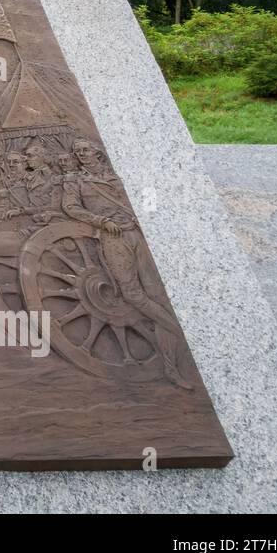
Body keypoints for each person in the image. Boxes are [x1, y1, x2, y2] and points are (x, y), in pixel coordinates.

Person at [61, 139, 193, 389]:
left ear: (97, 153)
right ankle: (177, 329)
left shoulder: (117, 173)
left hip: (136, 233)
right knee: (132, 294)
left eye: (85, 149)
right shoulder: (75, 180)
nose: (81, 154)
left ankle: (171, 367)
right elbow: (70, 207)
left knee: (158, 294)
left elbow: (147, 194)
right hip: (112, 238)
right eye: (78, 152)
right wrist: (99, 220)